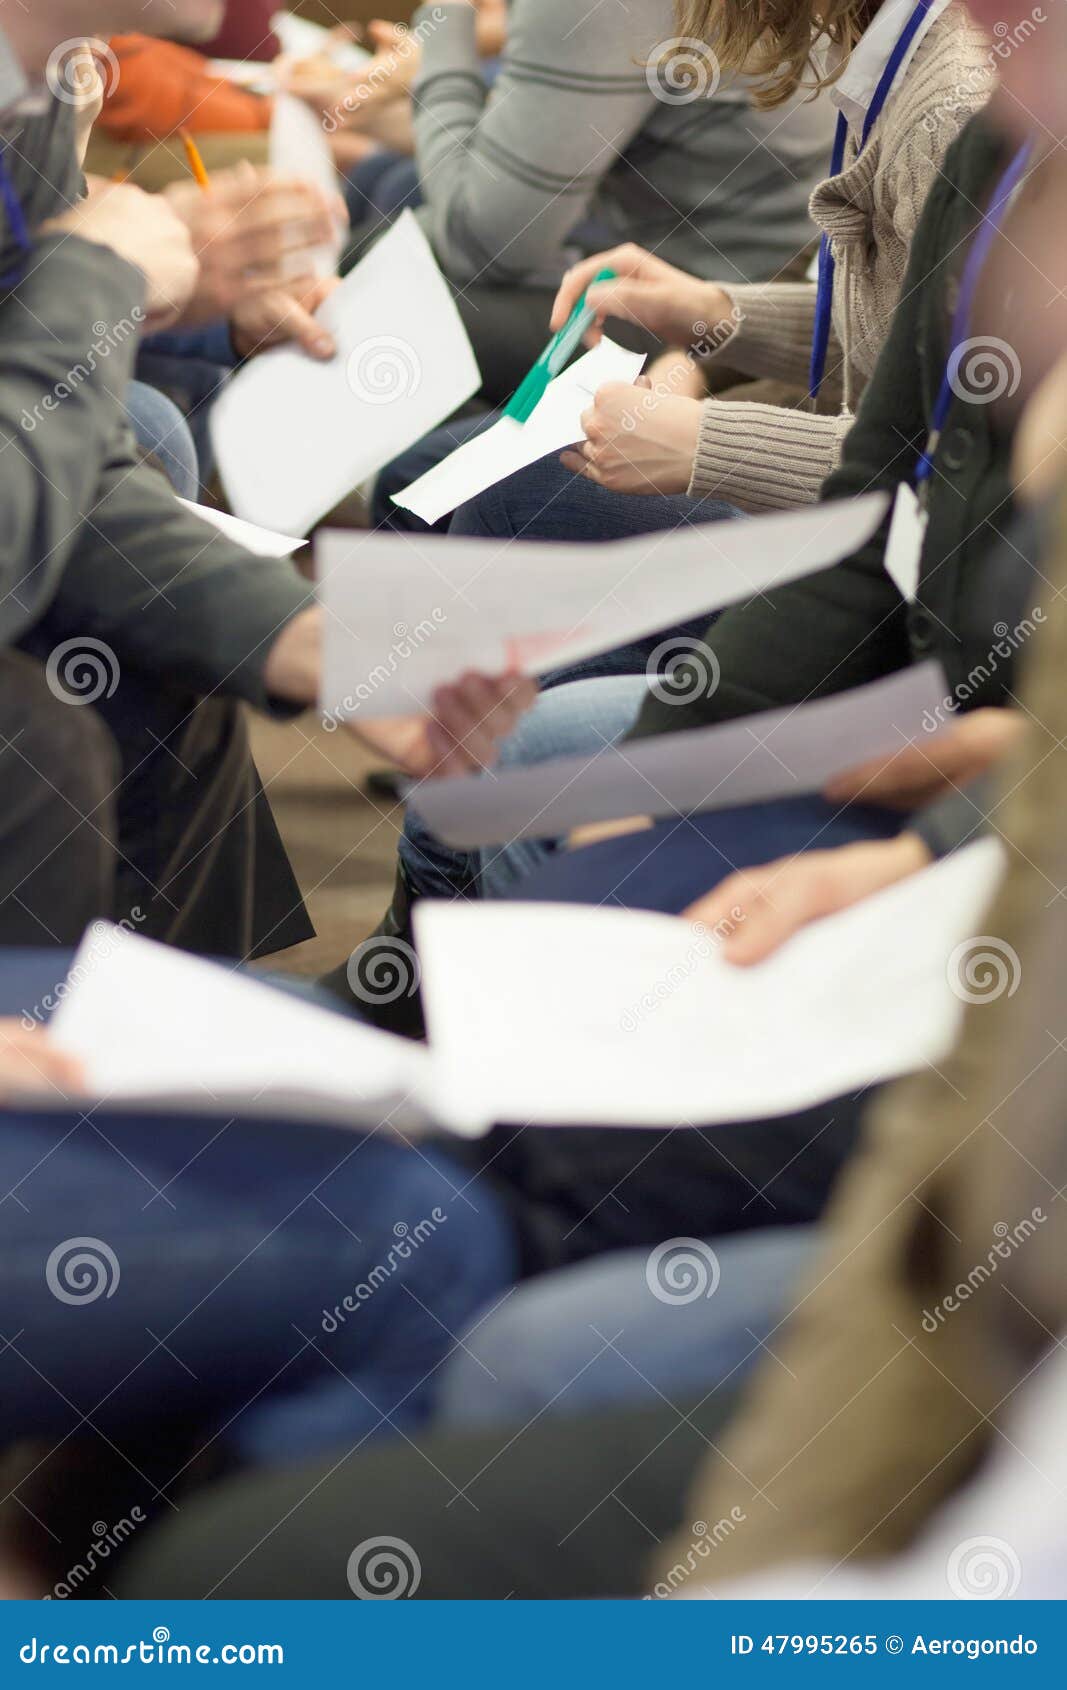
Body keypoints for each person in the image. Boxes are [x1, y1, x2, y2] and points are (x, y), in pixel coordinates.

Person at [379, 108, 1046, 987]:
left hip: (962, 736)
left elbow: (493, 222)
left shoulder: (951, 95)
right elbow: (881, 465)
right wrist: (710, 327)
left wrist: (708, 441)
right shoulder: (987, 126)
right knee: (506, 518)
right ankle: (428, 1016)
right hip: (899, 651)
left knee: (530, 693)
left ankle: (448, 1018)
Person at [0, 13, 534, 951]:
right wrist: (98, 278)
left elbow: (43, 426)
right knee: (43, 742)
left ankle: (184, 1048)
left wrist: (298, 638)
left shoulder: (41, 86)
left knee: (178, 661)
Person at [373, 0, 993, 520]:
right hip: (809, 397)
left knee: (494, 497)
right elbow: (889, 344)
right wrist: (715, 312)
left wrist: (706, 443)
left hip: (891, 564)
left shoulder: (946, 111)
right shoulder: (892, 51)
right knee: (430, 474)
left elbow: (963, 473)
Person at [324, 0, 835, 401]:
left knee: (369, 277)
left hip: (723, 312)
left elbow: (480, 242)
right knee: (387, 193)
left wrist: (444, 21)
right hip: (753, 265)